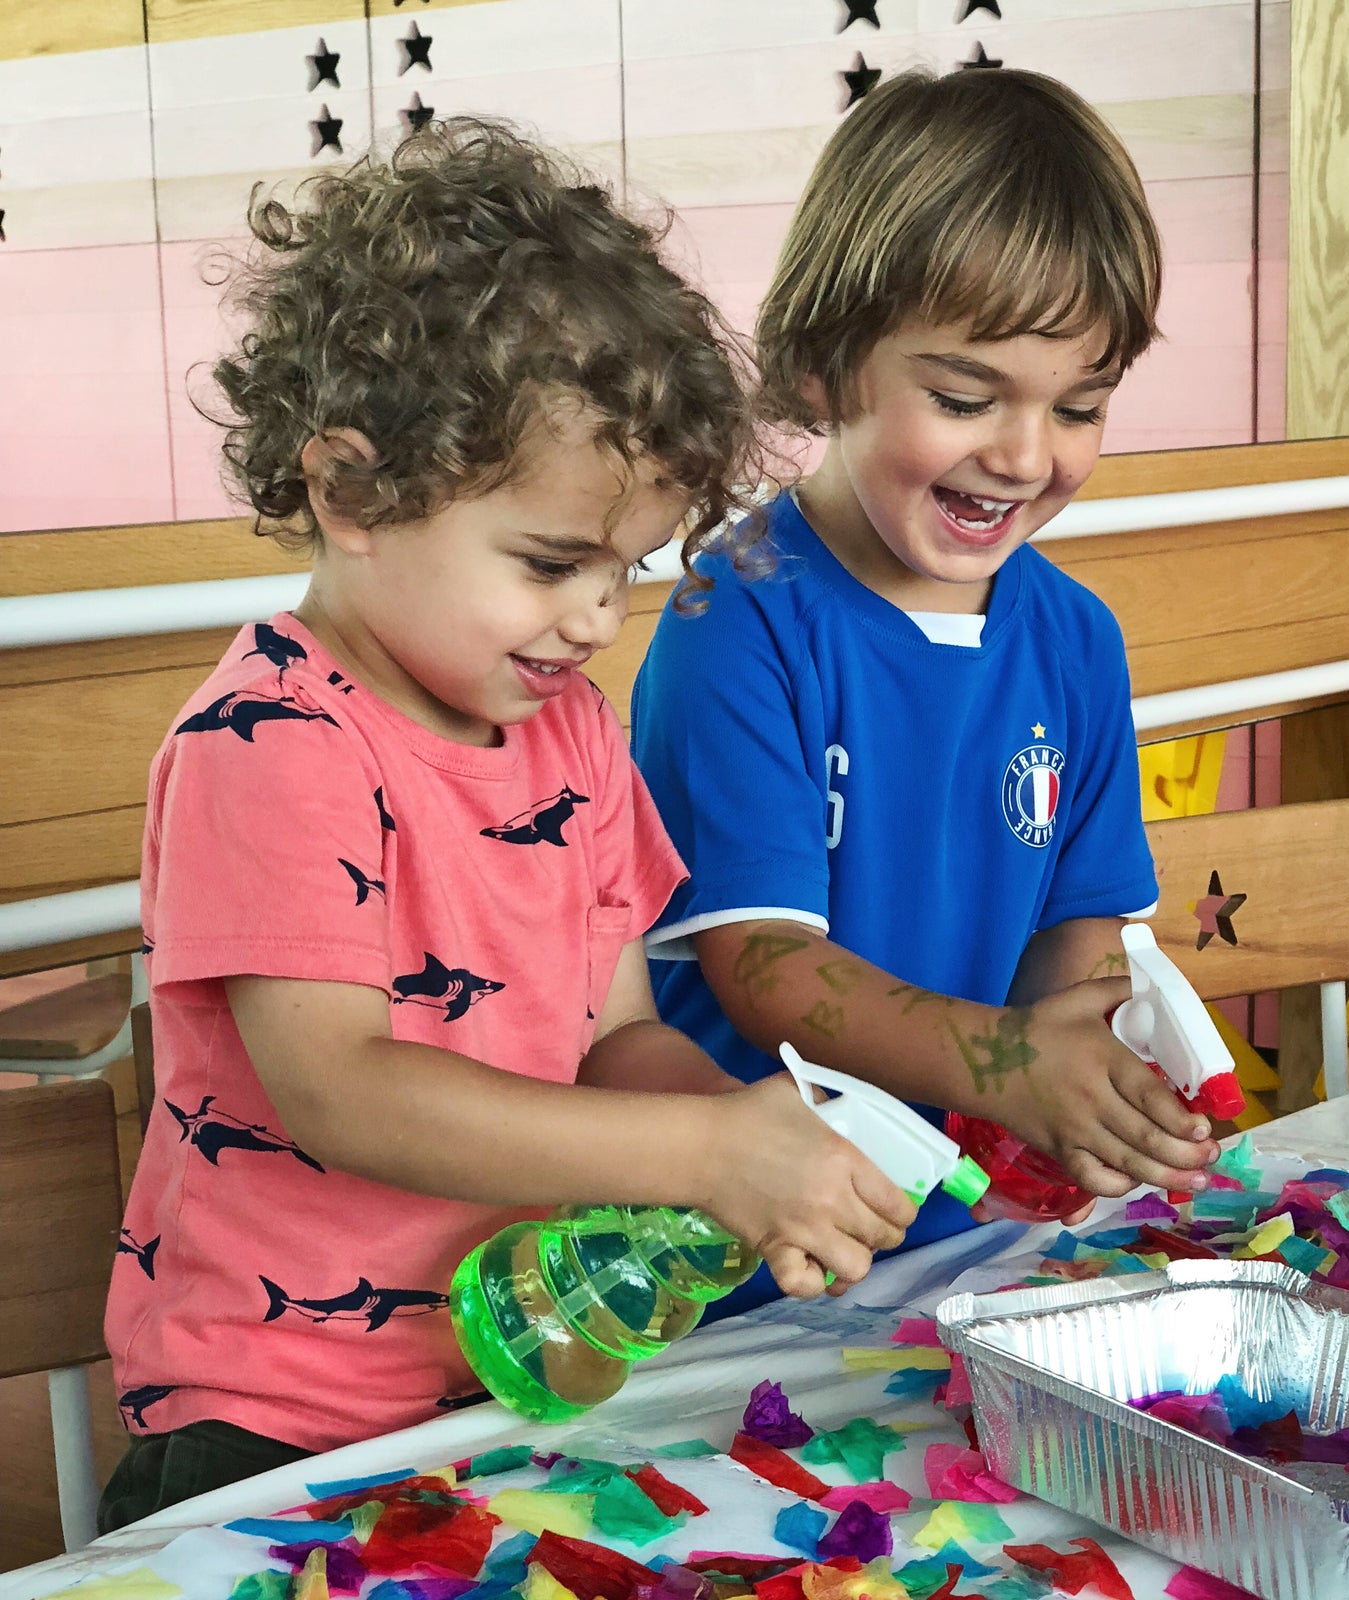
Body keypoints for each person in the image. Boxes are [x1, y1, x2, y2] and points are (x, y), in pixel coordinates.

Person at [101, 118, 913, 1530]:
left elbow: (612, 1039)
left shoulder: (574, 737)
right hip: (270, 1432)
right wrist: (705, 1159)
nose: (598, 619)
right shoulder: (270, 745)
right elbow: (342, 1092)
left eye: (624, 567)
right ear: (351, 489)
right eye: (550, 563)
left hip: (522, 1380)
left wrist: (752, 1143)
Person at [630, 69, 1219, 1319]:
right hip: (745, 1272)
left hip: (958, 1258)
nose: (1021, 454)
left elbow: (1082, 929)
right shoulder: (733, 620)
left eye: (1080, 406)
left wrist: (1094, 1090)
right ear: (819, 368)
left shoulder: (1074, 638)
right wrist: (1016, 1064)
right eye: (963, 398)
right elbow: (764, 966)